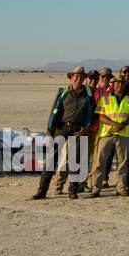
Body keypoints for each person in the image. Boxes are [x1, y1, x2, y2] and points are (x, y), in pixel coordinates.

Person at [32, 65, 95, 200]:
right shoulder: (63, 92)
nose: (78, 79)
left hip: (79, 130)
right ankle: (41, 191)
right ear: (71, 78)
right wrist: (50, 132)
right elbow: (54, 111)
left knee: (76, 160)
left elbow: (92, 113)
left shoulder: (89, 93)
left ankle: (73, 191)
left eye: (81, 77)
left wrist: (87, 128)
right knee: (51, 160)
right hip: (61, 128)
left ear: (84, 79)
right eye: (76, 76)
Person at [88, 76, 129, 198]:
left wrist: (123, 124)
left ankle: (120, 187)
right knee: (100, 162)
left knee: (122, 163)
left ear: (125, 84)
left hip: (124, 134)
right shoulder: (105, 99)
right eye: (117, 83)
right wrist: (115, 124)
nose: (120, 85)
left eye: (122, 83)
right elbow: (100, 116)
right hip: (106, 134)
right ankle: (96, 188)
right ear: (113, 85)